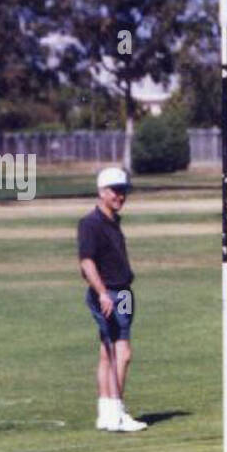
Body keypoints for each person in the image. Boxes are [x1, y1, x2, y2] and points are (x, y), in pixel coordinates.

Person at [77, 166, 147, 432]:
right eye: (115, 191)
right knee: (122, 352)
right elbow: (86, 262)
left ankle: (106, 413)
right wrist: (102, 293)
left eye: (123, 191)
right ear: (102, 192)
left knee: (107, 352)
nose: (121, 196)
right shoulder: (90, 224)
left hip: (123, 292)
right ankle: (117, 413)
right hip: (110, 294)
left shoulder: (113, 221)